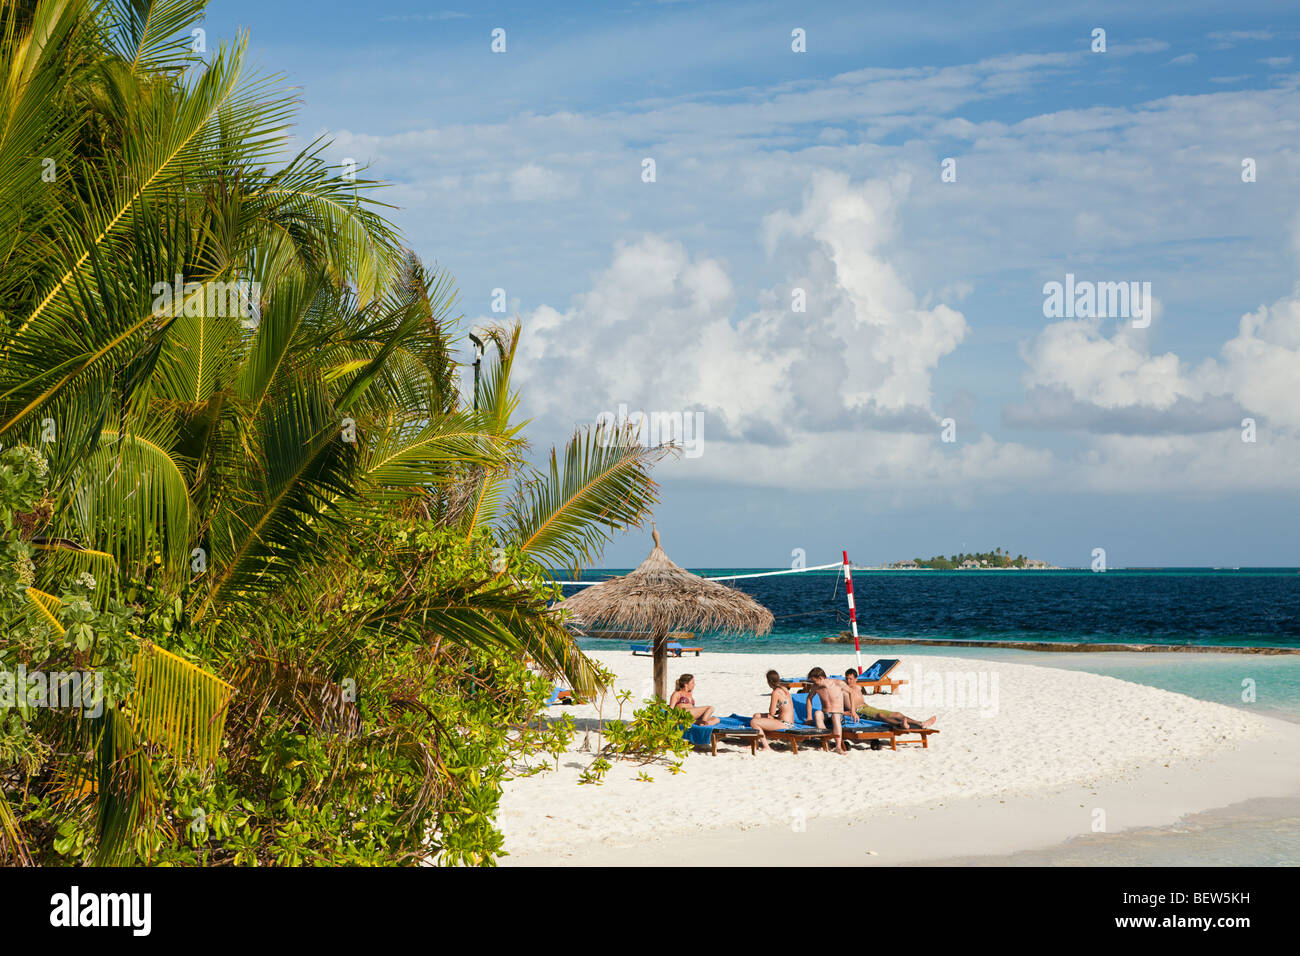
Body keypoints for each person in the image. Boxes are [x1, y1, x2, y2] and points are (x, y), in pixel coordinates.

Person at [843, 667, 936, 730]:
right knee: (880, 716)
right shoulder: (843, 690)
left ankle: (920, 723)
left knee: (897, 714)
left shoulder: (859, 687)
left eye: (850, 678)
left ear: (856, 679)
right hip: (859, 711)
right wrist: (845, 712)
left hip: (868, 708)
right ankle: (900, 725)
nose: (848, 681)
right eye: (847, 678)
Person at [749, 669, 797, 751]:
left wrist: (771, 712)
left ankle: (766, 746)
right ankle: (755, 744)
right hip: (788, 722)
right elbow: (785, 706)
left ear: (769, 681)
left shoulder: (776, 692)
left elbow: (772, 713)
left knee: (754, 722)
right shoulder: (784, 689)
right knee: (756, 716)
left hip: (785, 723)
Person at [806, 667, 849, 754]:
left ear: (821, 678)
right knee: (818, 713)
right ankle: (826, 743)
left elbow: (851, 692)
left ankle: (838, 747)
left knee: (835, 715)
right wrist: (809, 716)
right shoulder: (815, 687)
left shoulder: (838, 683)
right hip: (826, 715)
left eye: (814, 681)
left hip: (838, 715)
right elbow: (809, 698)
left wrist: (853, 711)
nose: (813, 683)